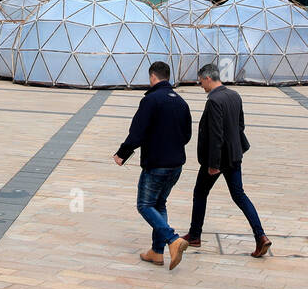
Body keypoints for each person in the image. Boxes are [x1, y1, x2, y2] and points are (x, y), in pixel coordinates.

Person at [184, 62, 272, 258]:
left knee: (200, 192)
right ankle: (261, 236)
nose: (201, 87)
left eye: (201, 83)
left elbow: (215, 135)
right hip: (234, 155)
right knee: (239, 195)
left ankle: (195, 234)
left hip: (217, 159)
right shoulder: (234, 95)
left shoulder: (214, 101)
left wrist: (213, 165)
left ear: (208, 78)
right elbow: (240, 125)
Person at [113, 61, 192, 270]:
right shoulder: (182, 102)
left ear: (152, 77)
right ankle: (157, 253)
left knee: (145, 205)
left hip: (157, 164)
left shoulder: (151, 100)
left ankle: (173, 239)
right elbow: (187, 135)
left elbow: (137, 132)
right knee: (159, 204)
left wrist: (122, 154)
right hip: (176, 164)